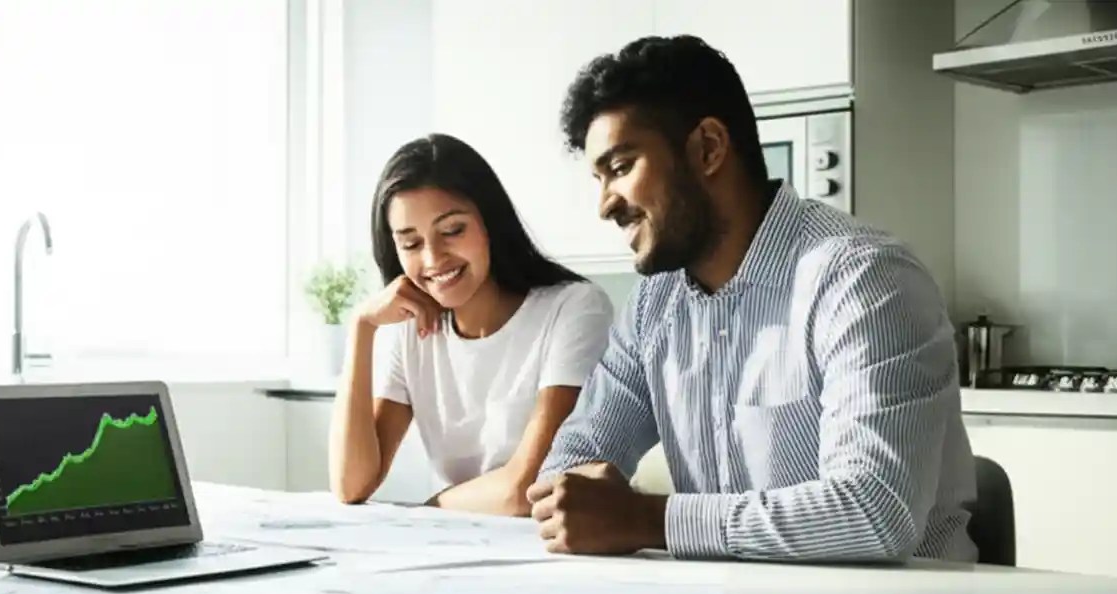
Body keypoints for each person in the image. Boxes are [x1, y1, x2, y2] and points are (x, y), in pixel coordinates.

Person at [529, 36, 977, 561]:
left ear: (709, 148)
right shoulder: (655, 304)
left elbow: (875, 512)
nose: (605, 204)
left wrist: (645, 519)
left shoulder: (863, 279)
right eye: (599, 178)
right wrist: (579, 501)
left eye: (622, 167)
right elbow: (570, 467)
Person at [330, 133, 614, 516]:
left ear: (489, 223)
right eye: (411, 244)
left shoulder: (573, 308)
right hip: (463, 537)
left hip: (553, 538)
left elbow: (525, 488)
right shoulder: (413, 330)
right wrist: (361, 328)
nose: (433, 259)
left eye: (452, 231)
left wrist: (432, 507)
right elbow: (351, 484)